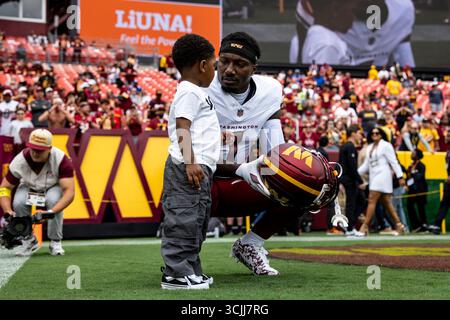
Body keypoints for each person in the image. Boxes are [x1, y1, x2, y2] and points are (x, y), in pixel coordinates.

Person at [207, 32, 339, 276]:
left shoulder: (269, 91)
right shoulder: (199, 88)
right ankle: (185, 261)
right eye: (224, 61)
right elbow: (188, 155)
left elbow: (274, 151)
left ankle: (250, 244)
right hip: (202, 183)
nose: (229, 69)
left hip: (243, 184)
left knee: (301, 186)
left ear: (253, 68)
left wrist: (299, 168)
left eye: (239, 64)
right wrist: (239, 168)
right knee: (190, 177)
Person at [160, 34, 220, 290]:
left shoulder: (197, 93)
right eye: (215, 65)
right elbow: (182, 125)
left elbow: (198, 127)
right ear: (203, 65)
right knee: (183, 218)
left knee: (197, 219)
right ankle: (175, 273)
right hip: (187, 167)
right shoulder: (189, 91)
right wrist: (190, 161)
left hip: (198, 166)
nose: (216, 71)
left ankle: (190, 268)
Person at [0, 129, 75, 256]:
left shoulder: (61, 159)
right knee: (18, 202)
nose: (35, 153)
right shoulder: (19, 161)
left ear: (49, 149)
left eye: (40, 150)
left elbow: (69, 192)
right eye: (32, 148)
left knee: (54, 200)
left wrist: (52, 211)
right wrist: (7, 210)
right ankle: (29, 240)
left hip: (52, 187)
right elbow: (4, 188)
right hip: (29, 186)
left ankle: (55, 241)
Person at [357, 127, 406, 236]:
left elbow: (394, 162)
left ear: (381, 135)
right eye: (373, 133)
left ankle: (364, 227)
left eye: (377, 133)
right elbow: (365, 166)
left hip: (383, 175)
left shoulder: (386, 145)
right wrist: (354, 174)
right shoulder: (369, 147)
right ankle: (399, 225)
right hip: (374, 177)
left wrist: (400, 176)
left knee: (371, 199)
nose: (375, 134)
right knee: (387, 203)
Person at [301, 0, 356, 65]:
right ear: (335, 9)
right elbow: (323, 74)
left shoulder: (319, 35)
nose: (354, 17)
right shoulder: (328, 45)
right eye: (352, 11)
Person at [338, 125, 364, 235]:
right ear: (353, 133)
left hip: (347, 179)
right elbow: (352, 166)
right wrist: (360, 181)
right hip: (350, 180)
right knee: (352, 203)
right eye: (358, 132)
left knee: (359, 201)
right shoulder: (349, 147)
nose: (360, 135)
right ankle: (349, 228)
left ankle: (349, 226)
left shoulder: (345, 146)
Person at [406, 149, 429, 233]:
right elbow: (408, 177)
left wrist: (412, 173)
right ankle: (416, 225)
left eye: (414, 153)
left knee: (421, 208)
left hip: (420, 190)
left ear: (418, 155)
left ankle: (424, 226)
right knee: (409, 206)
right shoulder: (410, 165)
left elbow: (419, 176)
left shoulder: (421, 165)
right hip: (412, 190)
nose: (412, 154)